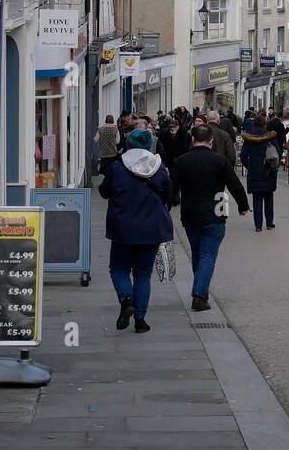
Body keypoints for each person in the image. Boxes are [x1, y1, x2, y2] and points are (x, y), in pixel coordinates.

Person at [99, 127, 174, 334]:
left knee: (118, 268)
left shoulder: (117, 166)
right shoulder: (158, 167)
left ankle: (126, 299)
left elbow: (104, 192)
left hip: (123, 228)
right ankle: (140, 319)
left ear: (129, 144)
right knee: (143, 274)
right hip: (152, 229)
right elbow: (167, 194)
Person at [170, 123, 250, 311]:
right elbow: (234, 184)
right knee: (208, 255)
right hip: (216, 214)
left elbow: (171, 190)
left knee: (198, 255)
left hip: (190, 216)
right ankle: (199, 294)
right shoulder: (219, 161)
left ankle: (202, 293)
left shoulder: (180, 162)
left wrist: (163, 209)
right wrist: (243, 205)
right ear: (211, 141)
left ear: (192, 140)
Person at [240, 112, 280, 231]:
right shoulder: (271, 137)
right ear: (265, 124)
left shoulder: (248, 139)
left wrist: (249, 166)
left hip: (254, 171)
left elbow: (243, 156)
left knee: (257, 198)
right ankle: (269, 223)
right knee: (269, 197)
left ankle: (258, 226)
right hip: (268, 170)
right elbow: (276, 152)